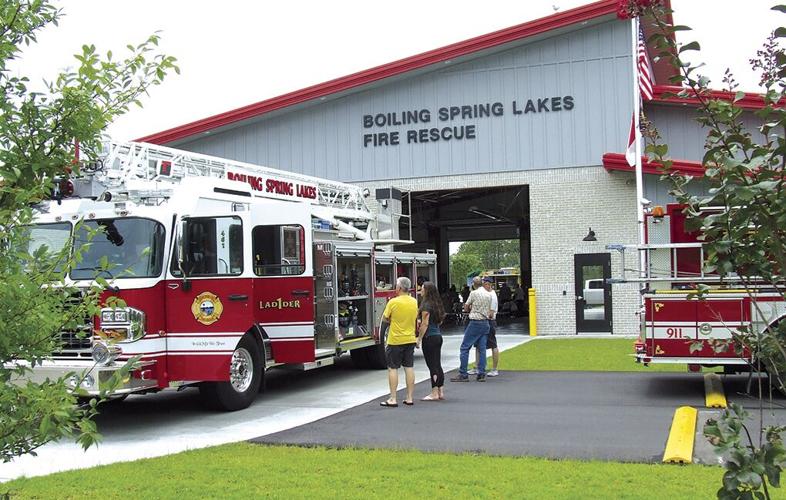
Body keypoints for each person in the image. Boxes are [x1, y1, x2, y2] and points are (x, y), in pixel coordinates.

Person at [379, 276, 419, 407]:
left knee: (393, 368)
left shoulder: (393, 302)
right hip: (410, 338)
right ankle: (409, 397)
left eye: (396, 285)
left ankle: (393, 398)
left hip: (395, 339)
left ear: (400, 288)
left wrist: (393, 321)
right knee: (409, 367)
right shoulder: (414, 301)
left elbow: (385, 319)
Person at [451, 276, 492, 382]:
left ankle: (463, 373)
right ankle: (481, 373)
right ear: (482, 283)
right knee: (482, 349)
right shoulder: (489, 294)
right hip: (485, 322)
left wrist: (470, 308)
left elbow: (466, 306)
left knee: (465, 348)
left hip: (475, 322)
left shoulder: (473, 293)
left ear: (473, 284)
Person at [417, 281, 446, 401]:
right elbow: (439, 321)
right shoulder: (437, 305)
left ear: (427, 291)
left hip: (429, 337)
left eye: (422, 288)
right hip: (438, 336)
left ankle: (434, 392)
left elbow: (425, 324)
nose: (420, 290)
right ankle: (440, 390)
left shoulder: (426, 306)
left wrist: (419, 338)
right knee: (438, 364)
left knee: (432, 365)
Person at [470, 277, 500, 377]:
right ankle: (477, 367)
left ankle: (495, 369)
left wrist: (481, 314)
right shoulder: (485, 294)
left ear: (488, 284)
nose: (483, 285)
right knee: (478, 344)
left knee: (493, 345)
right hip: (484, 321)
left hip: (489, 321)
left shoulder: (492, 295)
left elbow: (491, 313)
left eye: (484, 283)